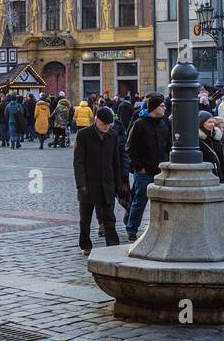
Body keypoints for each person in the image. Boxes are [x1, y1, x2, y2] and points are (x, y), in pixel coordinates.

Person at [73, 106, 123, 256]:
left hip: (107, 183)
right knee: (85, 219)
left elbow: (116, 161)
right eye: (104, 124)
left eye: (109, 125)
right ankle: (85, 244)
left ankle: (113, 244)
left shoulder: (112, 135)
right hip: (88, 183)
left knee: (109, 217)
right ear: (96, 120)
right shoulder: (83, 135)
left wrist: (118, 183)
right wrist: (81, 184)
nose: (107, 127)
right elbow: (78, 162)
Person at [123, 94, 170, 241]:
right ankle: (132, 229)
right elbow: (130, 147)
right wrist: (139, 166)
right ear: (154, 108)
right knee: (140, 200)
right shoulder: (139, 124)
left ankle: (161, 227)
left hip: (161, 169)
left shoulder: (164, 123)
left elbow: (168, 144)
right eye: (162, 106)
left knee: (163, 200)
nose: (164, 108)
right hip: (143, 170)